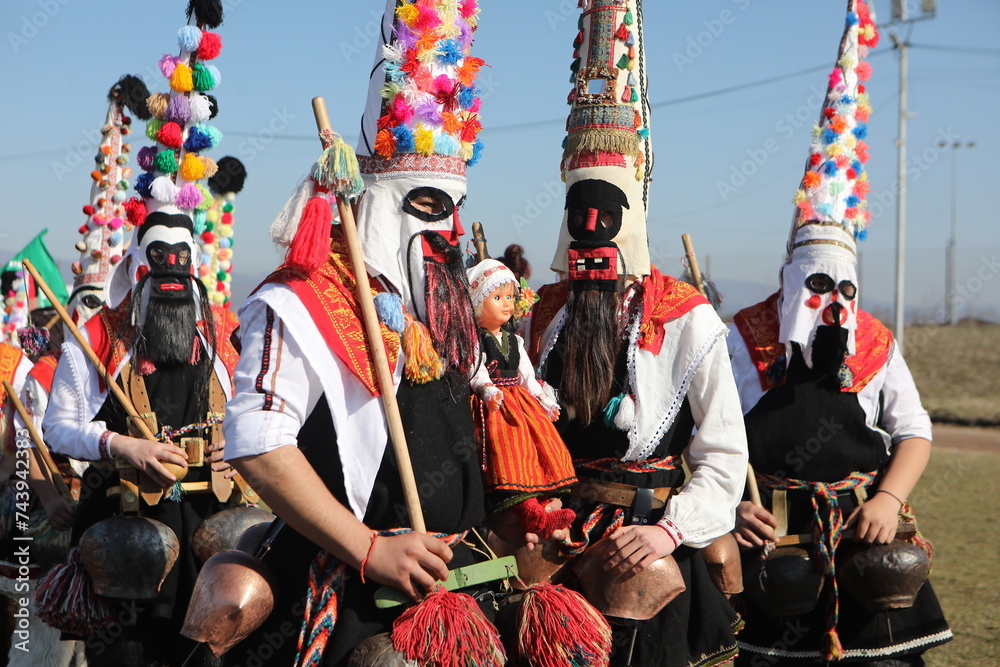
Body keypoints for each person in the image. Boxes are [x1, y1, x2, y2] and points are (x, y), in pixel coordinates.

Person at [222, 2, 514, 665]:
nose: (447, 234)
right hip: (350, 597)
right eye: (429, 207)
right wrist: (369, 547)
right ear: (378, 199)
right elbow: (256, 441)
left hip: (459, 591)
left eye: (456, 211)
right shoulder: (299, 299)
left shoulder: (440, 313)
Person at [727, 2, 952, 664]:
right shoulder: (743, 337)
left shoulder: (875, 342)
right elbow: (709, 437)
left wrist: (889, 496)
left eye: (845, 290)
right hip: (771, 545)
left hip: (866, 541)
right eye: (817, 288)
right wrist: (731, 505)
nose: (833, 305)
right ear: (789, 279)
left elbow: (914, 429)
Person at [525, 2, 748, 665]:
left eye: (606, 210)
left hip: (645, 546)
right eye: (579, 209)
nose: (592, 224)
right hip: (558, 543)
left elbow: (724, 454)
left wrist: (670, 531)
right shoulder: (545, 312)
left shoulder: (685, 317)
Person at [43, 207, 241, 667]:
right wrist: (124, 445)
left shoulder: (223, 331)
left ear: (193, 265)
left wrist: (237, 440)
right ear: (136, 266)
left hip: (207, 526)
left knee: (204, 652)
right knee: (130, 653)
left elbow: (259, 411)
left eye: (180, 257)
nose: (170, 268)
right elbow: (57, 428)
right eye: (158, 256)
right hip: (124, 527)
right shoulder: (97, 335)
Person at [467, 259, 576, 537]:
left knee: (538, 449)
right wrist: (486, 389)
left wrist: (542, 399)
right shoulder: (476, 340)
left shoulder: (514, 340)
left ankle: (542, 506)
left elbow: (527, 375)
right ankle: (528, 511)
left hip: (520, 402)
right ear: (479, 301)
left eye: (509, 298)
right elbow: (475, 370)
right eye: (497, 297)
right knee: (509, 454)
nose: (506, 304)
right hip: (496, 406)